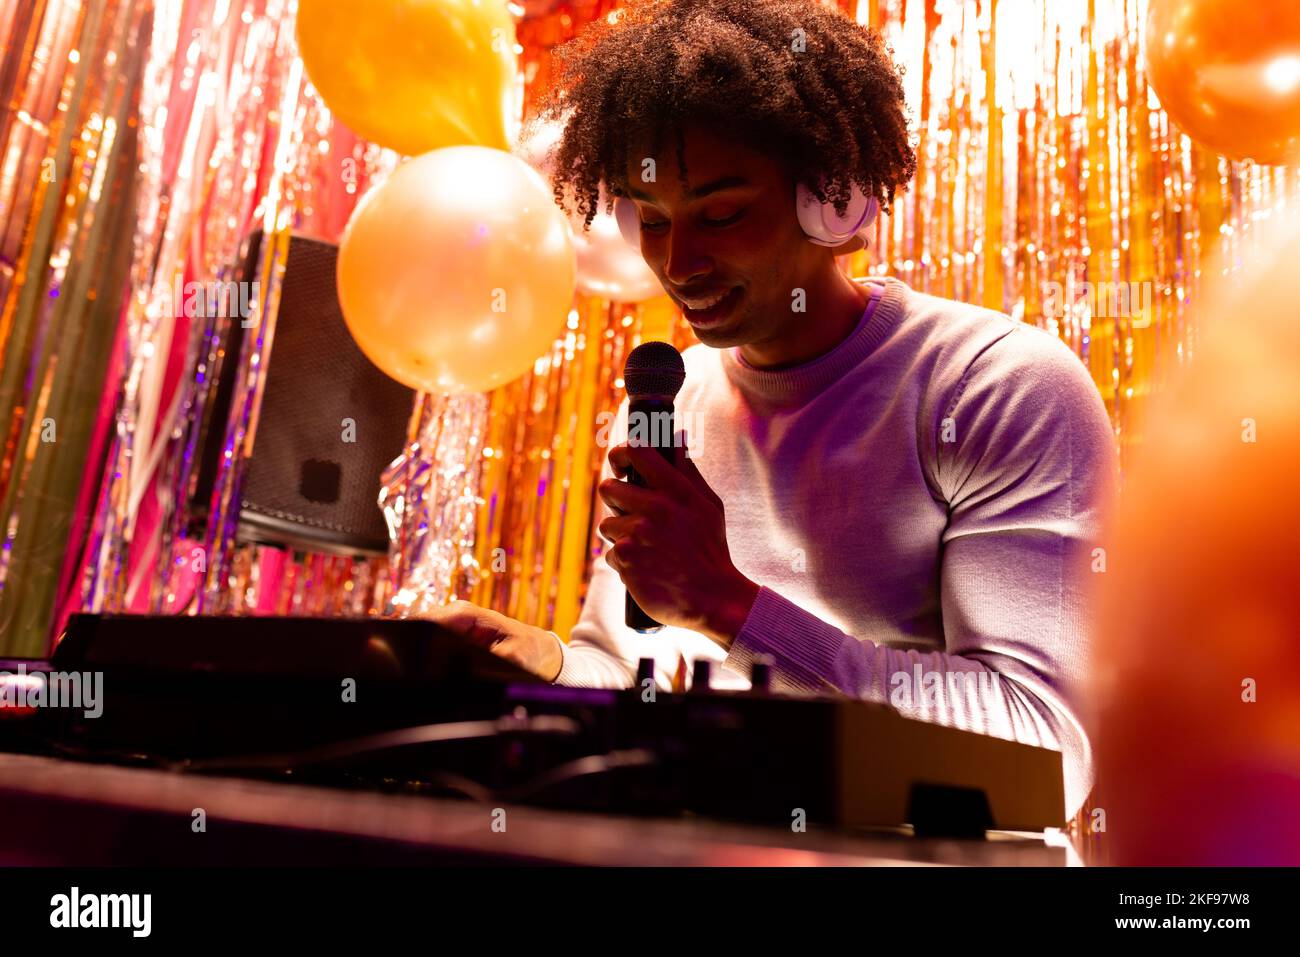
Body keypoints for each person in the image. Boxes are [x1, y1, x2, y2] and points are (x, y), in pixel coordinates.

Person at [430, 0, 1116, 816]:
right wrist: (542, 659)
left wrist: (729, 607)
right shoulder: (669, 397)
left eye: (721, 213)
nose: (678, 262)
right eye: (651, 220)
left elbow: (1040, 753)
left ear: (834, 200)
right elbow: (629, 672)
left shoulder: (996, 388)